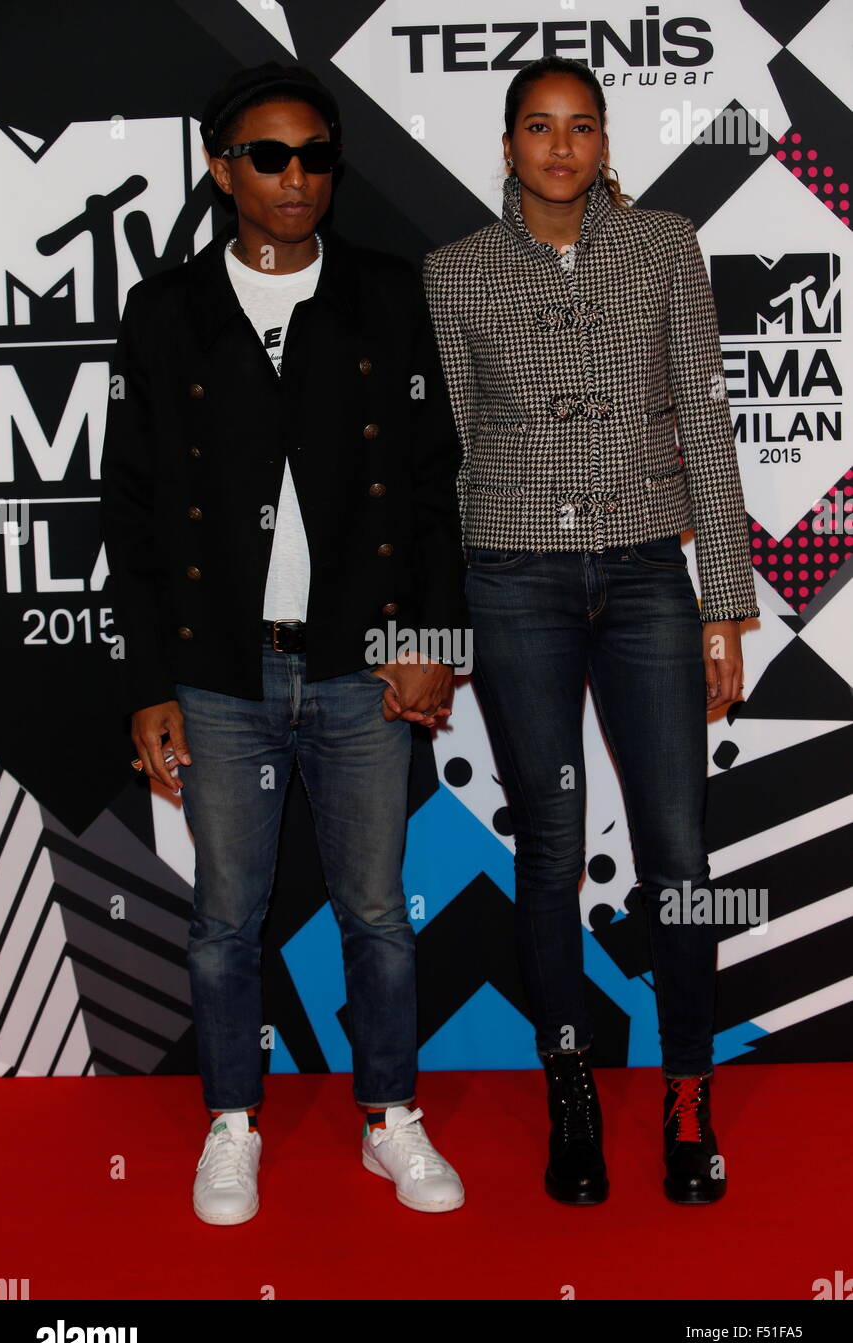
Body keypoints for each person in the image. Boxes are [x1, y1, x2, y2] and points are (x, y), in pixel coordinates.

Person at [100, 61, 469, 1223]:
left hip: (363, 661)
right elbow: (134, 506)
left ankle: (389, 1115)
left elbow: (430, 486)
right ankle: (231, 1121)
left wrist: (437, 642)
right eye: (270, 156)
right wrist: (151, 682)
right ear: (223, 170)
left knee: (377, 908)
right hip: (218, 668)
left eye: (315, 155)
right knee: (225, 917)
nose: (297, 176)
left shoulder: (383, 294)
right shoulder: (168, 312)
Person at [424, 56, 759, 1206]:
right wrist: (427, 618)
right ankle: (570, 1083)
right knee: (551, 849)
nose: (562, 147)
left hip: (646, 577)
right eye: (538, 127)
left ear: (606, 141)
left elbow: (707, 427)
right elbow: (445, 460)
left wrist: (726, 600)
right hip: (514, 579)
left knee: (676, 846)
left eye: (582, 127)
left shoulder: (665, 247)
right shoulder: (454, 274)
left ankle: (686, 1089)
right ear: (508, 143)